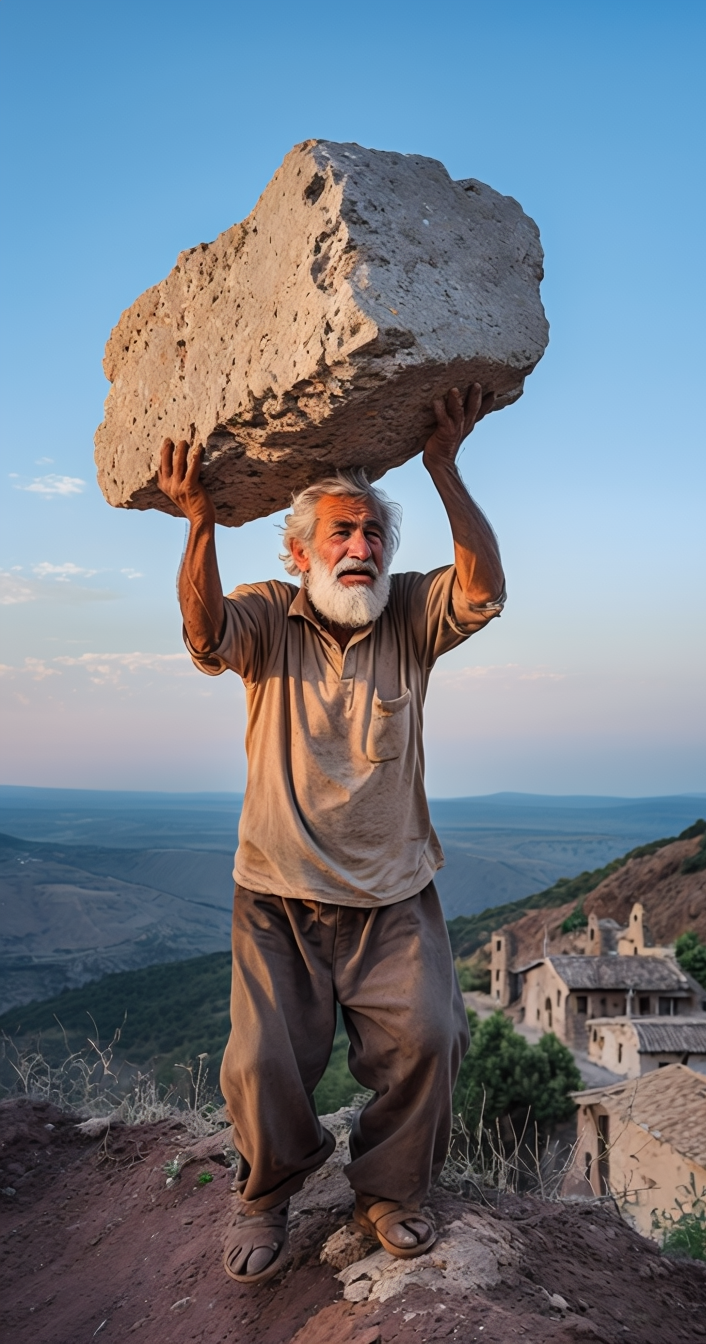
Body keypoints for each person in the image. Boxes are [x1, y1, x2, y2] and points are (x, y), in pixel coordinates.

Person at [157, 383, 506, 1285]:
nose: (361, 548)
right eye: (341, 535)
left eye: (374, 535)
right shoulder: (270, 614)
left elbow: (485, 590)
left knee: (432, 1037)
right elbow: (203, 633)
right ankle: (269, 1189)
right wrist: (198, 520)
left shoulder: (409, 616)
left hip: (393, 898)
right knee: (261, 1061)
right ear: (300, 551)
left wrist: (443, 468)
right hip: (276, 894)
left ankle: (389, 1190)